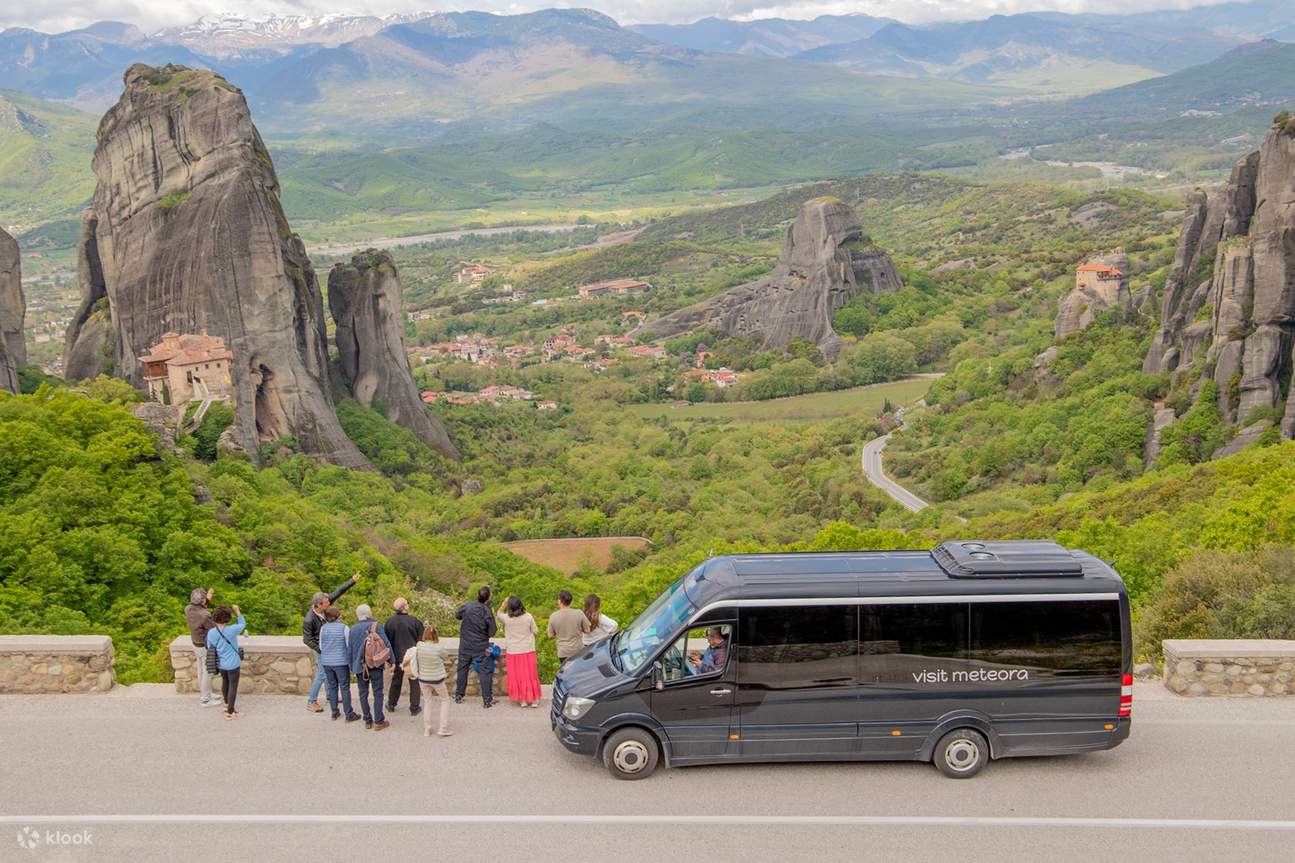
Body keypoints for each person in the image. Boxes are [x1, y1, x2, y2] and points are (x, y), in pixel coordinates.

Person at [302, 572, 361, 713]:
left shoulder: (324, 608)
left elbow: (338, 592)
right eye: (327, 603)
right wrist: (322, 649)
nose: (330, 603)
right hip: (320, 648)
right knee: (322, 674)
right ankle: (312, 700)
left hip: (326, 647)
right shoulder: (309, 619)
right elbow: (307, 639)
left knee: (328, 674)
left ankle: (330, 696)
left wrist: (352, 581)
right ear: (318, 605)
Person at [348, 604, 394, 730]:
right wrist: (392, 661)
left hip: (359, 666)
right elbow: (386, 644)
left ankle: (367, 720)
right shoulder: (376, 626)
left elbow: (350, 650)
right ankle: (379, 721)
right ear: (369, 614)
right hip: (374, 664)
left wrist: (351, 666)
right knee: (378, 692)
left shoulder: (353, 628)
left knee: (363, 693)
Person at [401, 626, 452, 737]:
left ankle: (427, 729)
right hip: (437, 679)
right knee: (445, 700)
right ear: (436, 635)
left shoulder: (419, 646)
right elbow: (445, 656)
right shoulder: (439, 647)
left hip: (423, 679)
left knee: (427, 701)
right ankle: (443, 728)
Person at [453, 586, 498, 707]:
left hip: (465, 644)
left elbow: (457, 616)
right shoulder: (487, 611)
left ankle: (459, 695)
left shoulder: (467, 606)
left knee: (462, 669)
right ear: (488, 597)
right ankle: (487, 700)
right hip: (481, 646)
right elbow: (492, 631)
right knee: (485, 672)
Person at [496, 596, 542, 708]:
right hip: (528, 650)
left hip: (513, 651)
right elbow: (536, 631)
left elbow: (498, 613)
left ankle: (523, 700)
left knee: (518, 676)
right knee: (530, 675)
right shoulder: (528, 617)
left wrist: (504, 603)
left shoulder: (507, 618)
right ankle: (534, 699)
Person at [383, 597, 425, 716]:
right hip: (411, 656)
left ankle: (391, 704)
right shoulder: (414, 621)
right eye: (407, 603)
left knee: (396, 681)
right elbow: (421, 640)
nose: (408, 605)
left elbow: (387, 642)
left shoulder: (390, 622)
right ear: (404, 607)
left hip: (396, 657)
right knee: (414, 681)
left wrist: (390, 659)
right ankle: (414, 707)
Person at [319, 606, 360, 723]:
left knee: (332, 686)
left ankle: (334, 711)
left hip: (326, 662)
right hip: (340, 662)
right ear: (337, 616)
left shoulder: (323, 628)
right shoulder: (344, 628)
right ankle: (348, 713)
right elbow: (348, 645)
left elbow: (321, 646)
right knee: (344, 687)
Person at [206, 605, 246, 719]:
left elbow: (209, 646)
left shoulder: (211, 632)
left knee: (225, 683)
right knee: (233, 686)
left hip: (221, 664)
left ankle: (226, 704)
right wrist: (238, 611)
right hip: (233, 664)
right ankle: (231, 712)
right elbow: (242, 625)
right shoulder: (232, 629)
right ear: (228, 618)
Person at [184, 587, 219, 707]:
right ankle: (205, 700)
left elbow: (201, 604)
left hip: (195, 642)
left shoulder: (188, 609)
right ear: (202, 601)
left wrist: (208, 595)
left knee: (200, 669)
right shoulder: (205, 615)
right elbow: (214, 628)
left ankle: (206, 693)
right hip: (204, 646)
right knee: (208, 672)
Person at [547, 589, 590, 668]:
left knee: (567, 674)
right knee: (580, 671)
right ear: (571, 601)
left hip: (563, 652)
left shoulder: (553, 616)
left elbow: (550, 635)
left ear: (559, 601)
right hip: (578, 649)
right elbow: (587, 630)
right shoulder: (579, 613)